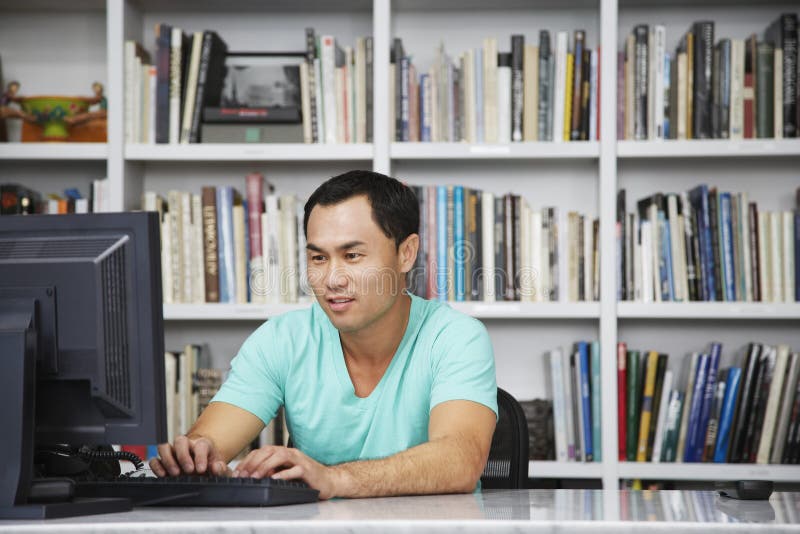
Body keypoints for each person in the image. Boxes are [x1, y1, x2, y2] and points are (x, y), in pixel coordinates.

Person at [150, 170, 498, 499]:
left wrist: (335, 478)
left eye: (352, 255)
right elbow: (210, 442)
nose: (332, 279)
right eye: (318, 258)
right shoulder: (281, 339)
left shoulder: (456, 337)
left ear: (405, 253)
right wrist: (195, 456)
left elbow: (460, 461)